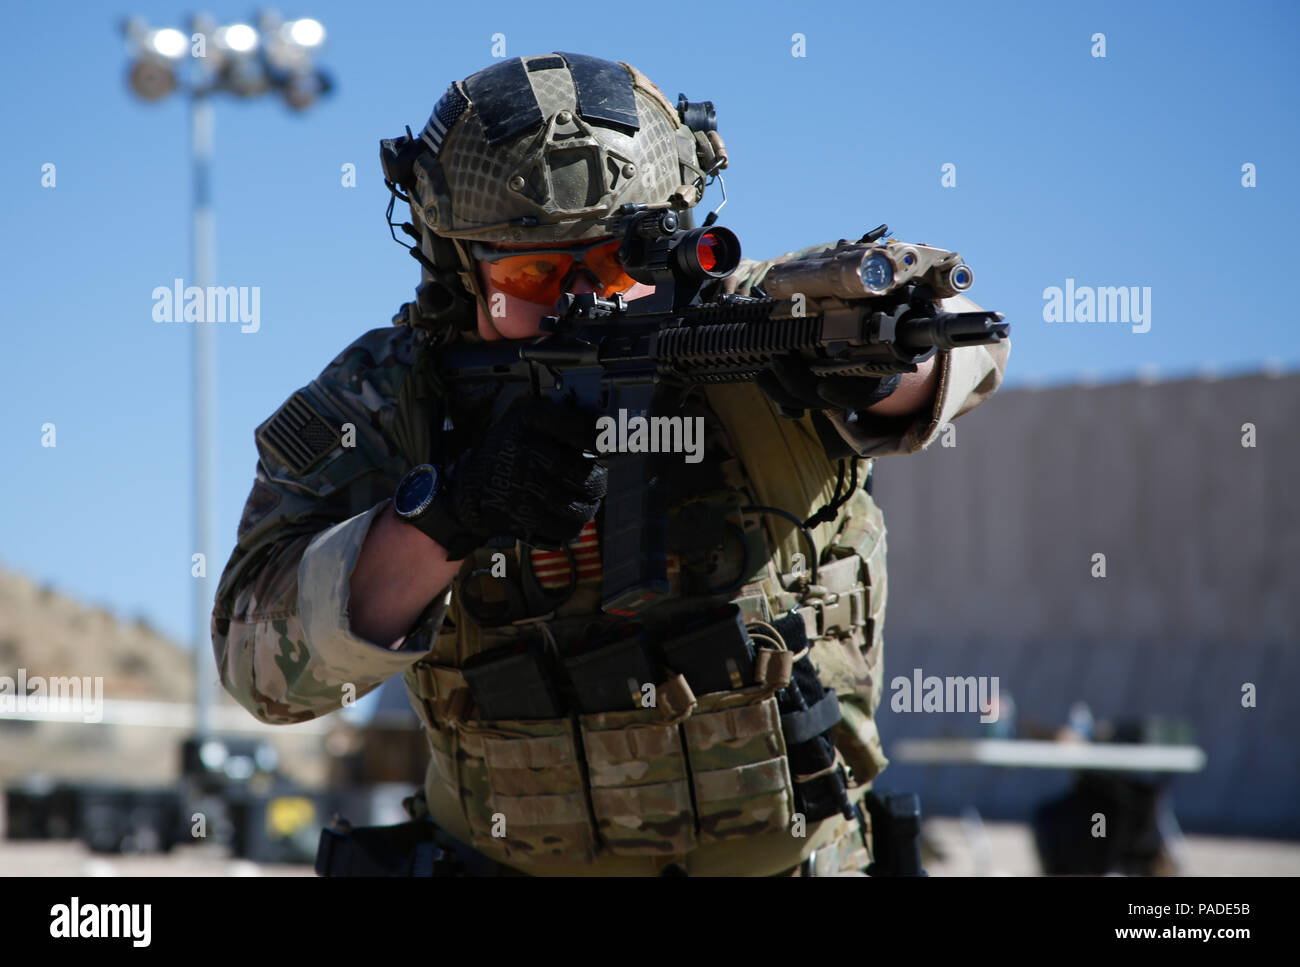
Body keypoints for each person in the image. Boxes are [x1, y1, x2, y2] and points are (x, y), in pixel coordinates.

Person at [212, 52, 1009, 876]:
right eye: (530, 274)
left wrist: (877, 368)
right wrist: (447, 516)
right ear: (457, 268)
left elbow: (959, 332)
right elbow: (259, 668)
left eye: (618, 264)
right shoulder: (390, 397)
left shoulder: (771, 326)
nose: (578, 301)